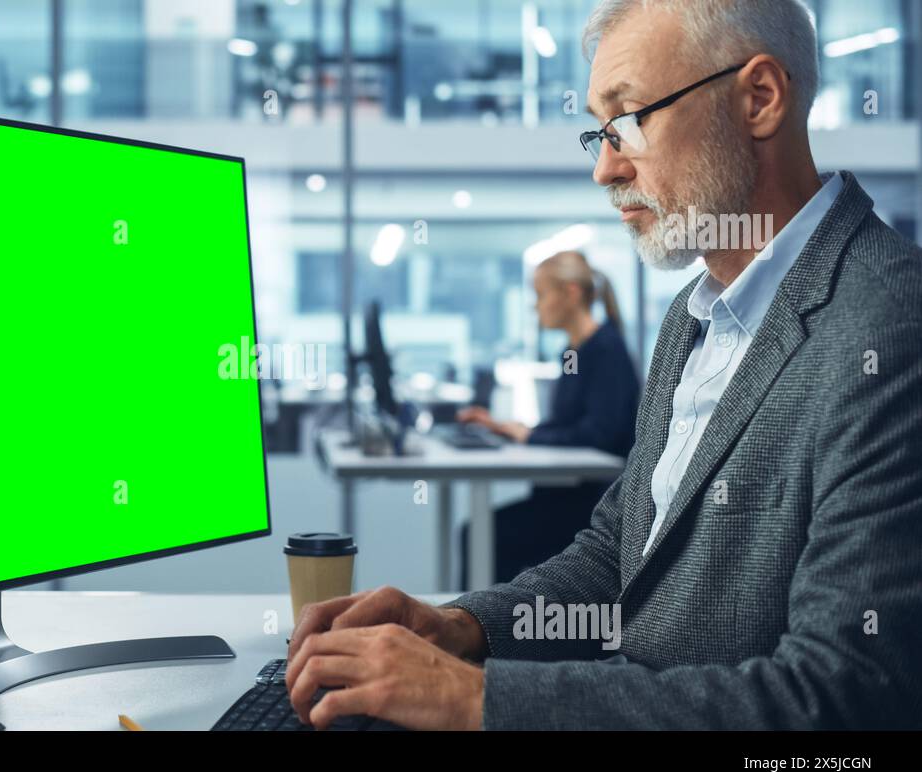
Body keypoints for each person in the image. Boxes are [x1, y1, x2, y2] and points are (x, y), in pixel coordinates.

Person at [284, 0, 922, 731]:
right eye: (600, 129)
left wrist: (476, 698)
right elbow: (617, 560)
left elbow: (848, 700)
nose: (605, 166)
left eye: (630, 120)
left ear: (759, 99)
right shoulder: (693, 320)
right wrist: (463, 628)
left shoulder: (892, 324)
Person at [456, 250, 640, 584]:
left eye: (541, 295)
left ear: (570, 293)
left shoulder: (606, 350)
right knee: (478, 531)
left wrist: (530, 437)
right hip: (562, 495)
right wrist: (512, 429)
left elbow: (601, 433)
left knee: (479, 534)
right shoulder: (573, 351)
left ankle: (475, 630)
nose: (535, 306)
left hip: (590, 505)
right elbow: (567, 424)